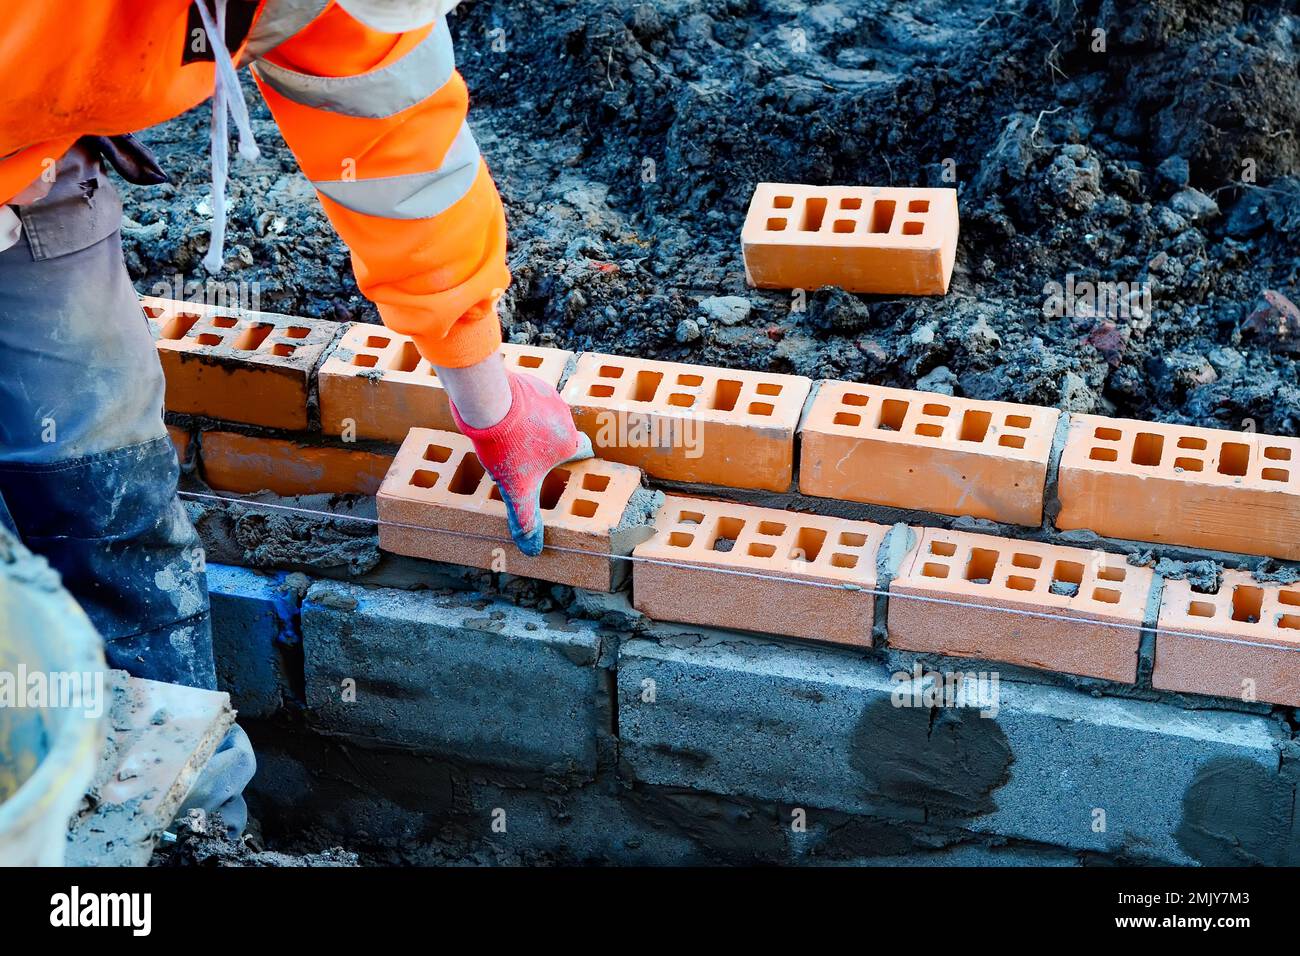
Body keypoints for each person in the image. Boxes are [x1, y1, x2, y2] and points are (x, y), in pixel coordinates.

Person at [0, 0, 588, 837]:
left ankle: (193, 837)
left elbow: (393, 143)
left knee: (108, 495)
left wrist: (487, 399)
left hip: (29, 163)